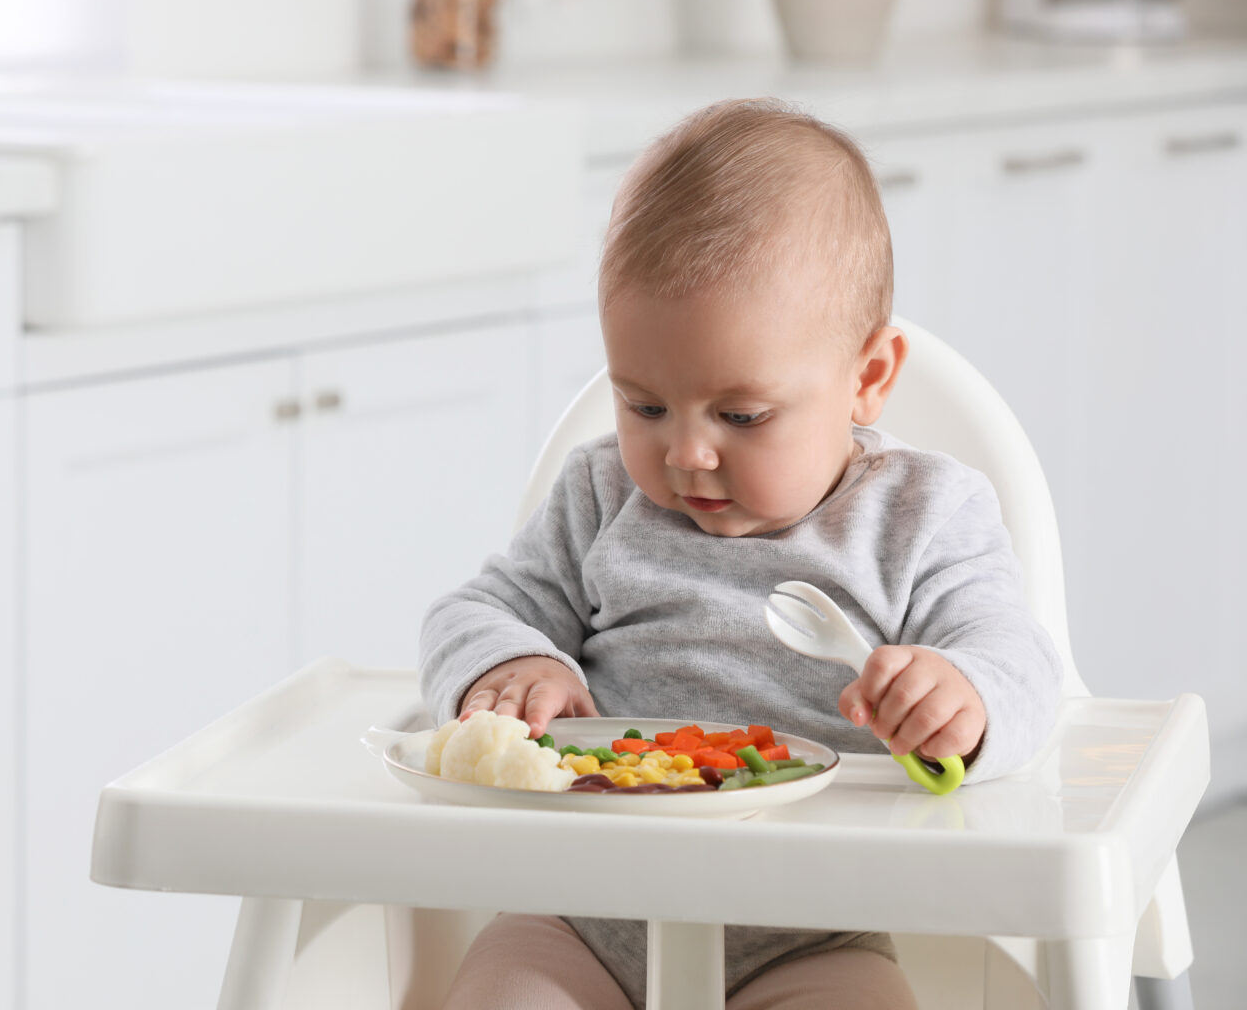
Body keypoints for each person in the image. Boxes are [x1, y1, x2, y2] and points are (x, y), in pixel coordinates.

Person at [417, 97, 1064, 1010]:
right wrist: (512, 660)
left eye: (743, 415)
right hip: (577, 917)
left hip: (809, 931)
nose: (685, 453)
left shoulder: (924, 516)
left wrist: (966, 696)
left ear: (868, 378)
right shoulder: (602, 497)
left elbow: (1023, 661)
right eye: (644, 405)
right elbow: (470, 612)